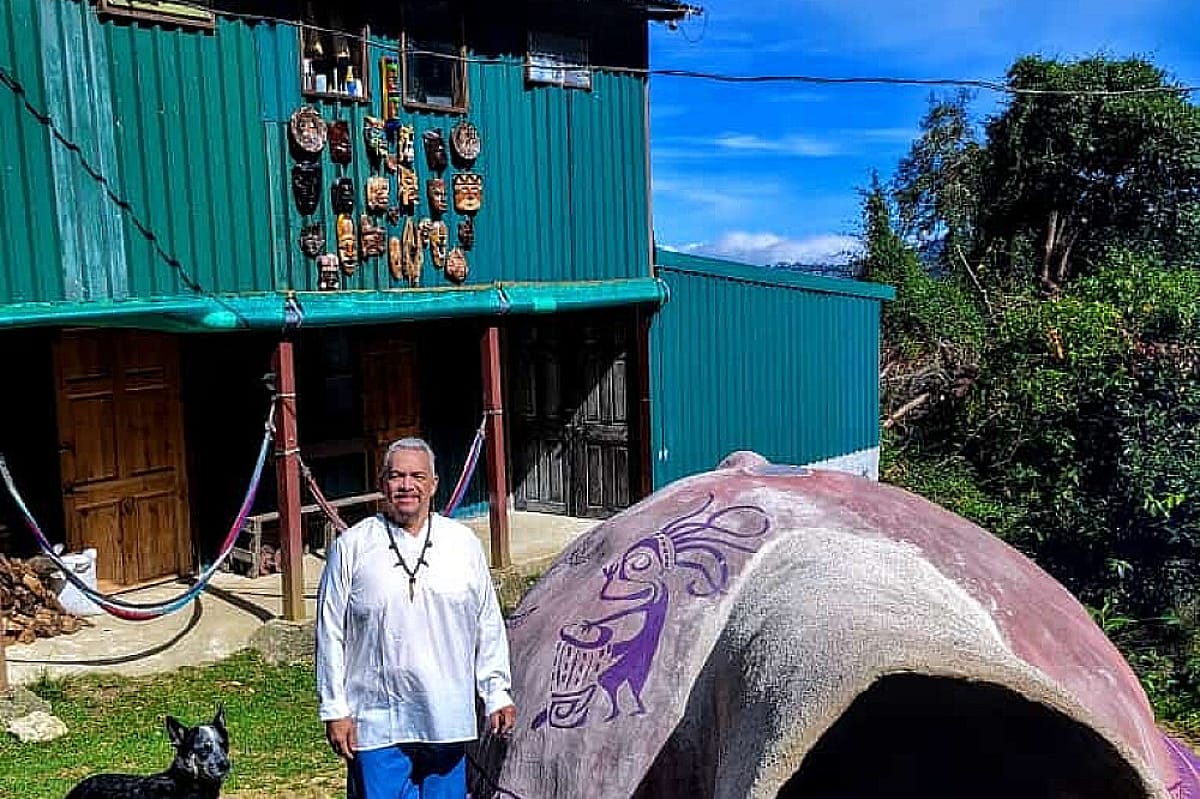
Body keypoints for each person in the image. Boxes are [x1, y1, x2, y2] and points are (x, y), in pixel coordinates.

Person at [316, 437, 516, 799]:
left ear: (434, 484)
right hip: (376, 721)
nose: (407, 486)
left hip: (447, 718)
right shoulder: (352, 547)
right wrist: (334, 709)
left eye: (417, 476)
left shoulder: (463, 544)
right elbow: (330, 633)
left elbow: (487, 621)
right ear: (382, 484)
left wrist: (496, 691)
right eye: (397, 476)